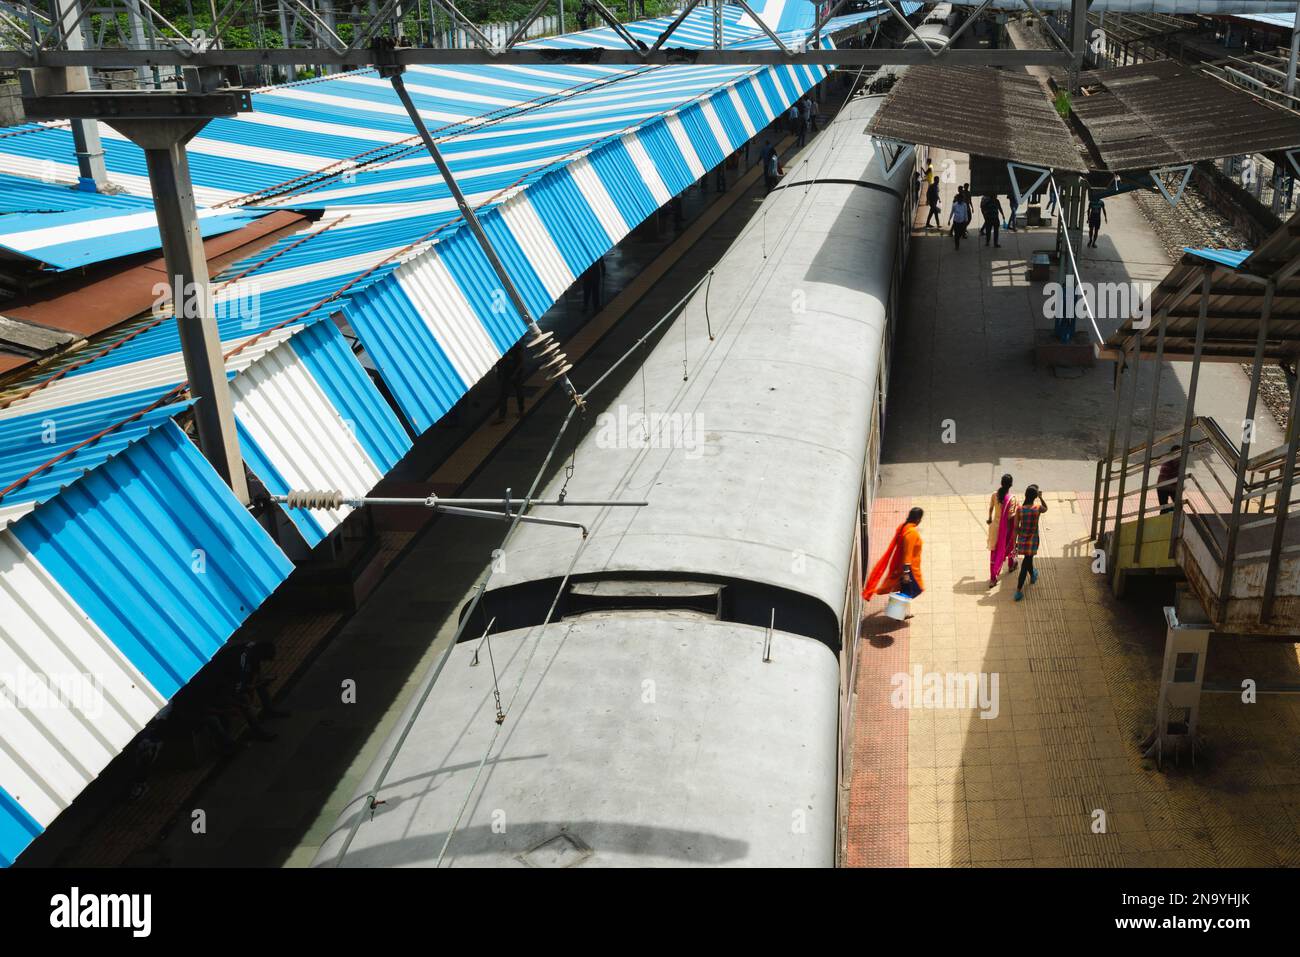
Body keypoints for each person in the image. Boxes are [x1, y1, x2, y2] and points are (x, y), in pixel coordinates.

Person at [862, 507, 925, 616]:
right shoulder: (911, 533)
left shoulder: (903, 527)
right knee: (914, 590)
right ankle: (894, 611)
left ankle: (899, 613)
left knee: (905, 589)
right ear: (918, 519)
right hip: (909, 568)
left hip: (901, 565)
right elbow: (907, 554)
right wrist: (906, 573)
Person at [1012, 485, 1048, 601]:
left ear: (1025, 495)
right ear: (1035, 497)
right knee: (1025, 564)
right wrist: (1041, 498)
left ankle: (1033, 575)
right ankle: (1018, 591)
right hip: (1033, 541)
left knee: (1028, 560)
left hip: (1023, 541)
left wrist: (1014, 542)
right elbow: (1046, 508)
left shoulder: (1019, 510)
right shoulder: (1037, 508)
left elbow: (1016, 528)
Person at [986, 474, 1018, 588]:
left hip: (994, 528)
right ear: (1011, 485)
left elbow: (990, 508)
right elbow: (1011, 516)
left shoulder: (995, 495)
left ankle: (993, 579)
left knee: (994, 553)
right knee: (1009, 547)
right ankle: (1011, 565)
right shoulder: (1012, 499)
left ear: (1001, 483)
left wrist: (990, 519)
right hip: (1005, 529)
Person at [493, 342, 527, 422]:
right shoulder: (500, 346)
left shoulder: (516, 345)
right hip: (506, 374)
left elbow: (521, 361)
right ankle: (502, 416)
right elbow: (499, 362)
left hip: (516, 374)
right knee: (504, 395)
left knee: (519, 392)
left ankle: (521, 410)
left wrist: (515, 373)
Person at [1157, 445, 1181, 514]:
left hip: (1172, 486)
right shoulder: (1167, 464)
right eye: (1176, 454)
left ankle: (1173, 515)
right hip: (1163, 488)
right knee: (1164, 509)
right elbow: (1161, 482)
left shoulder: (1180, 463)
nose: (1178, 456)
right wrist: (1175, 488)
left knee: (1179, 507)